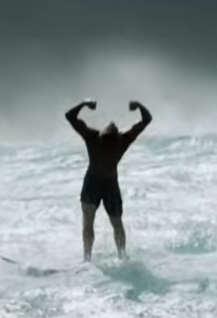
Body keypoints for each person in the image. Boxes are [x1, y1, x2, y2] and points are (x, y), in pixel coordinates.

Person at [64, 98, 152, 261]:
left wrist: (84, 104)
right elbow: (147, 119)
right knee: (114, 223)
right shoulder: (122, 140)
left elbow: (70, 116)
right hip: (108, 184)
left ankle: (89, 258)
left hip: (95, 183)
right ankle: (119, 256)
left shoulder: (94, 138)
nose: (112, 125)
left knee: (92, 222)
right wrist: (138, 106)